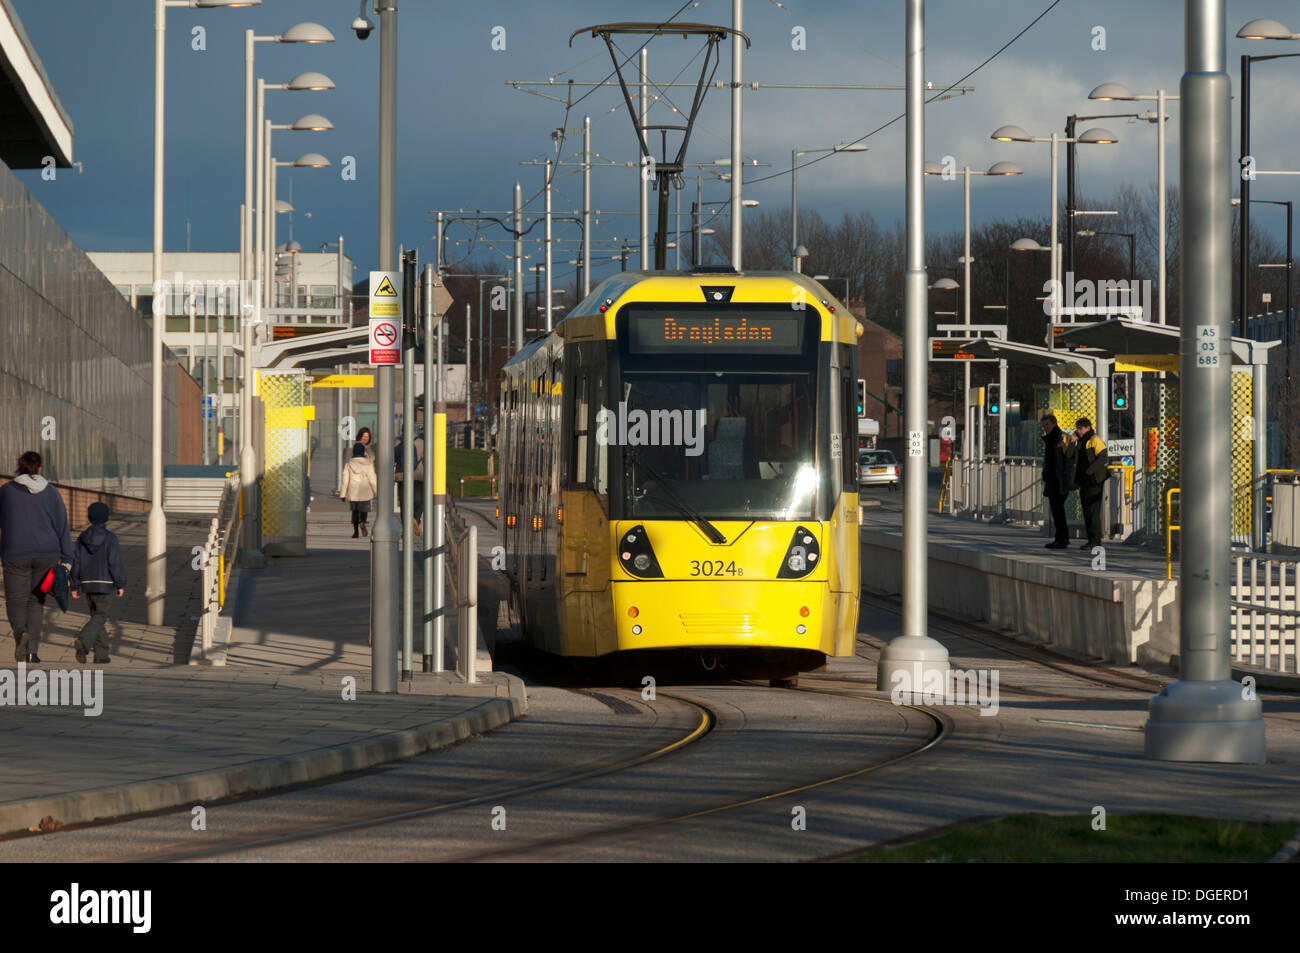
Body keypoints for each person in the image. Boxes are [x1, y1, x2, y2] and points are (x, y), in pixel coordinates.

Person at [0, 451, 74, 662]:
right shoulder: (51, 492)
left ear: (19, 467)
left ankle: (20, 634)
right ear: (39, 468)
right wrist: (68, 558)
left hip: (15, 553)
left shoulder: (5, 492)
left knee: (15, 600)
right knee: (36, 602)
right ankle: (32, 651)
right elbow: (62, 526)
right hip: (47, 553)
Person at [70, 502, 125, 664]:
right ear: (106, 518)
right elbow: (115, 563)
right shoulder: (111, 538)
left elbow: (77, 562)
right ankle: (84, 641)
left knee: (96, 617)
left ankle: (101, 655)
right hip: (105, 583)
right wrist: (120, 583)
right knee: (100, 616)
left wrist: (74, 584)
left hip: (88, 583)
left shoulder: (82, 538)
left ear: (89, 517)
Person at [1073, 417, 1110, 548]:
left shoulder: (1094, 440)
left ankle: (1095, 541)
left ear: (1087, 427)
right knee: (1086, 510)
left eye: (1080, 428)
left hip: (1094, 480)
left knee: (1093, 510)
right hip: (1084, 480)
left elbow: (1103, 457)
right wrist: (1073, 442)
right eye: (1077, 428)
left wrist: (1089, 471)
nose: (1078, 431)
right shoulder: (1081, 441)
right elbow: (1072, 457)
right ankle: (1091, 540)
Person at [1040, 414, 1072, 549]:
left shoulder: (1061, 438)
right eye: (1043, 426)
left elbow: (1069, 458)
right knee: (1056, 510)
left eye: (1047, 425)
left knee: (1058, 509)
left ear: (1054, 423)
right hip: (1053, 479)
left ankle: (1062, 538)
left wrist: (1066, 477)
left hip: (1060, 479)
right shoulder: (1051, 439)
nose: (1045, 428)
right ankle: (1060, 538)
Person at [340, 443, 378, 537]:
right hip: (365, 490)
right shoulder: (368, 464)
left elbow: (345, 480)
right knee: (364, 510)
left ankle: (355, 532)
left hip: (353, 491)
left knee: (355, 511)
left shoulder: (349, 464)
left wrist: (343, 494)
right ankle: (363, 522)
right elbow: (372, 479)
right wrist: (376, 491)